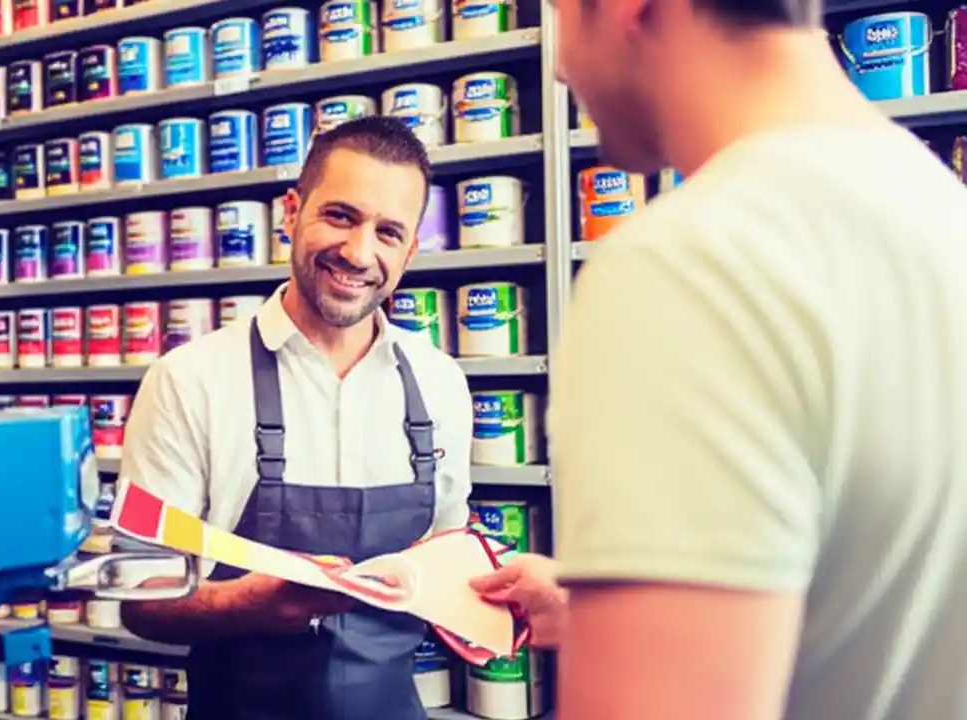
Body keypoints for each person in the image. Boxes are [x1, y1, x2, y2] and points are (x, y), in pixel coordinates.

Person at [471, 0, 967, 716]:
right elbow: (883, 607)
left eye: (559, 17)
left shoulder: (689, 265)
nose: (556, 64)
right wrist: (615, 616)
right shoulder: (941, 214)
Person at [117, 116, 474, 720]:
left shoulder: (441, 383)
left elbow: (445, 561)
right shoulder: (190, 380)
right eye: (340, 216)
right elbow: (139, 602)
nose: (359, 252)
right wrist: (252, 605)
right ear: (291, 212)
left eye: (388, 232)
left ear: (411, 250)